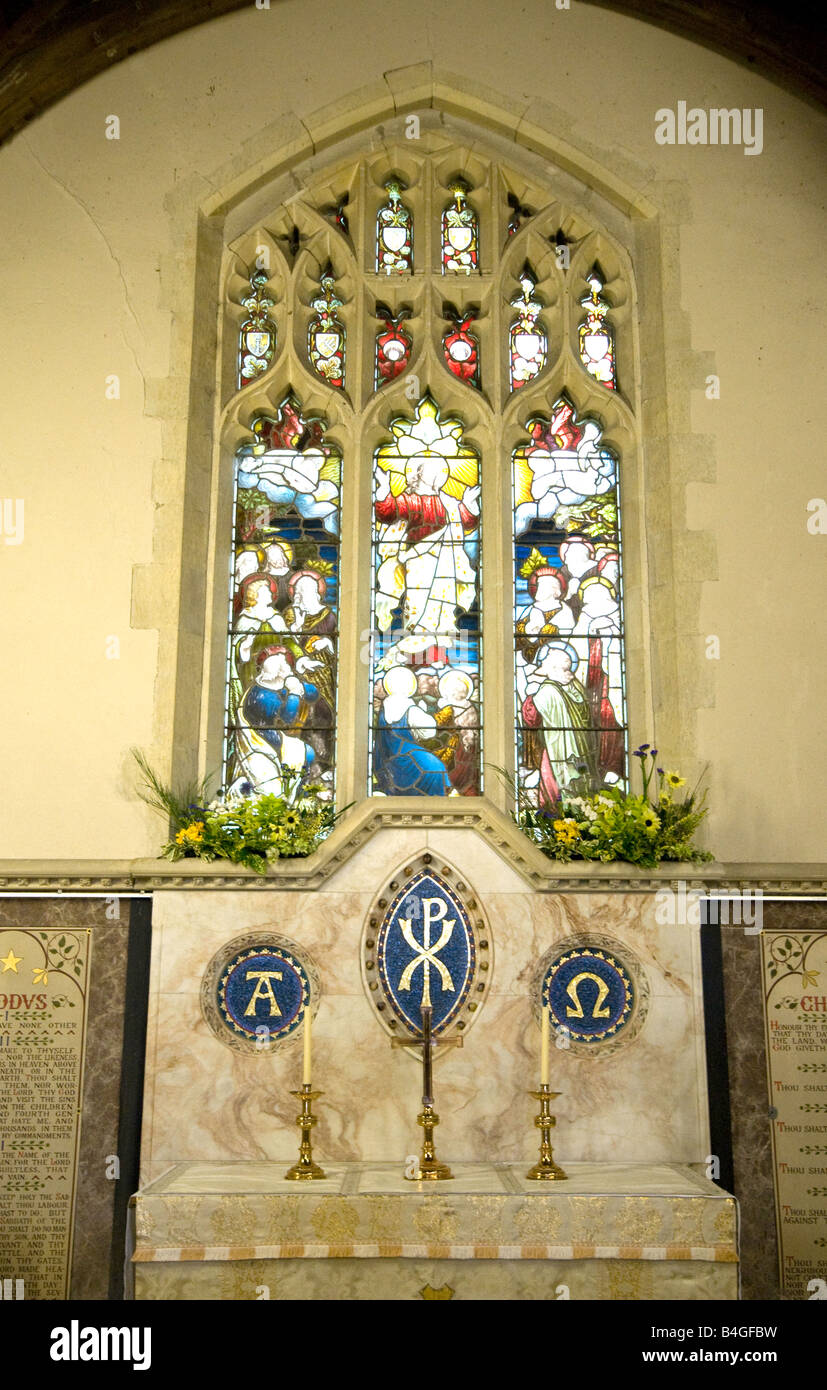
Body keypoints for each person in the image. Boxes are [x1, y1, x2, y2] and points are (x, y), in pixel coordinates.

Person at [374, 453, 479, 662]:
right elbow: (386, 513)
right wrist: (384, 488)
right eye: (432, 470)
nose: (437, 475)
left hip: (446, 561)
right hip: (417, 560)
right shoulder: (408, 499)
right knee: (416, 605)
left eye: (440, 471)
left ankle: (436, 655)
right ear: (419, 473)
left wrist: (468, 505)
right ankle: (413, 654)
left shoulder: (448, 502)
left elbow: (467, 523)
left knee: (442, 606)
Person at [521, 642, 598, 806]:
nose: (542, 664)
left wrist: (529, 697)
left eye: (546, 661)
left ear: (553, 667)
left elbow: (531, 718)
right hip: (581, 748)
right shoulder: (576, 686)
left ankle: (555, 811)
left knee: (553, 781)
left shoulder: (548, 690)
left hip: (557, 749)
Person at [373, 665, 455, 795]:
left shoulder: (386, 704)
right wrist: (423, 710)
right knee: (436, 768)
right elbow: (429, 732)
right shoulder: (409, 706)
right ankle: (433, 803)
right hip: (405, 754)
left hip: (384, 758)